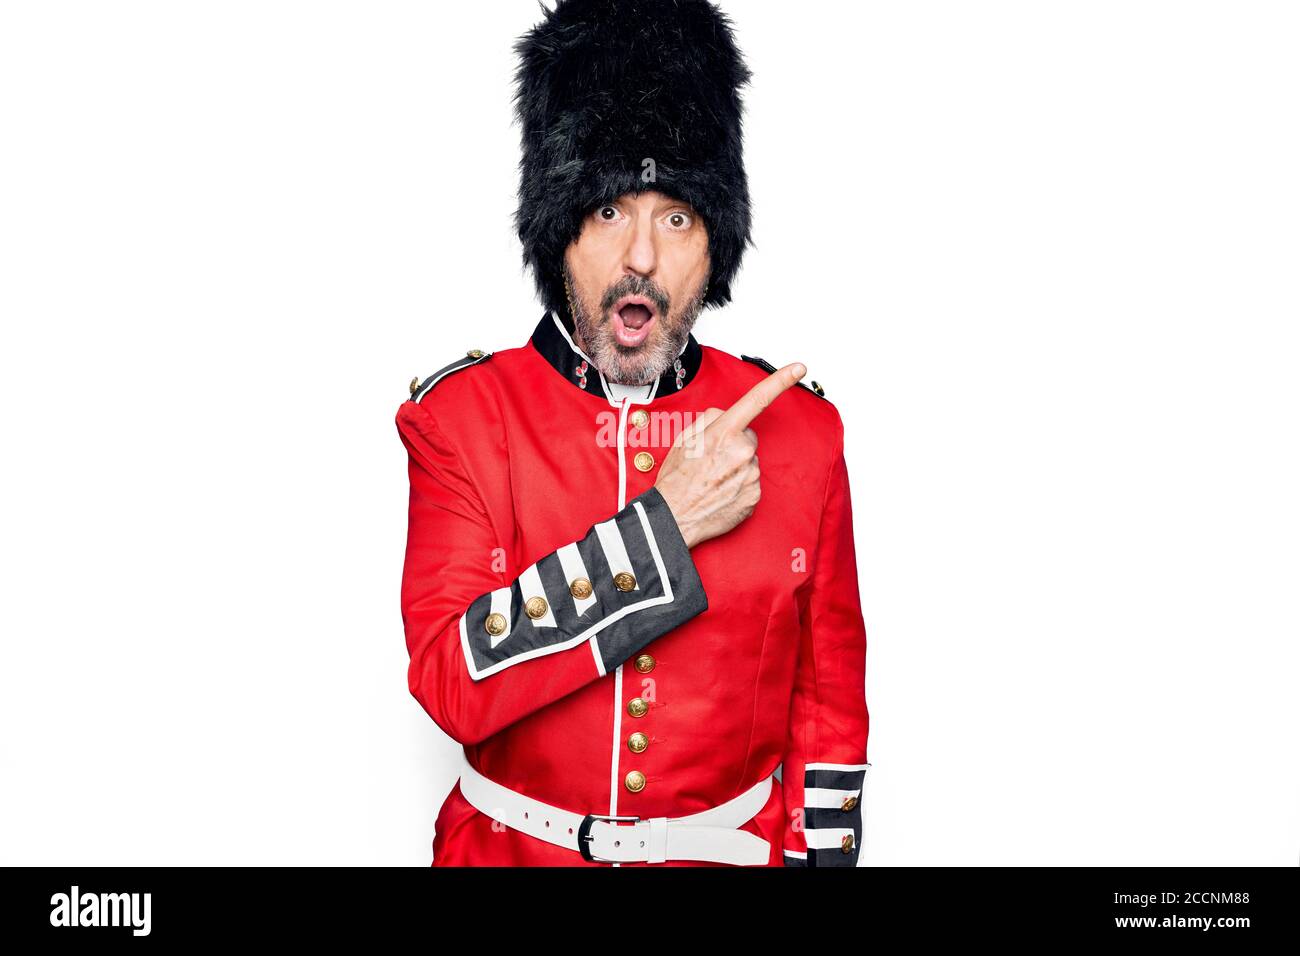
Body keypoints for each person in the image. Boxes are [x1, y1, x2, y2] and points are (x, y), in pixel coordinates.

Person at [396, 0, 870, 866]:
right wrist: (667, 526)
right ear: (560, 226)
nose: (642, 256)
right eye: (611, 210)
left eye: (677, 218)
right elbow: (450, 683)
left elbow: (826, 711)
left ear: (714, 243)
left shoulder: (805, 432)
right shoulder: (462, 420)